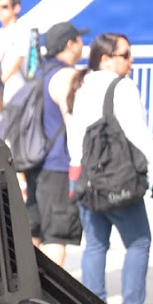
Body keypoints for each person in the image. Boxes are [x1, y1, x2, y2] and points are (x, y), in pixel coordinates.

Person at [65, 32, 153, 304]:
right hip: (117, 179)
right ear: (106, 59)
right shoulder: (123, 87)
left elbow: (75, 137)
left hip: (85, 178)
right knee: (139, 241)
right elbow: (137, 133)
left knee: (95, 245)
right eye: (126, 55)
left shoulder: (81, 85)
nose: (132, 60)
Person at [27, 21, 88, 266]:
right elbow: (73, 120)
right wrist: (78, 161)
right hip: (59, 164)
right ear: (70, 44)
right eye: (79, 40)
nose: (82, 44)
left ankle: (29, 284)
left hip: (35, 162)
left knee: (34, 230)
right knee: (56, 235)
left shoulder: (40, 73)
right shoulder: (68, 76)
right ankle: (48, 288)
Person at [0, 0, 33, 102]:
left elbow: (17, 60)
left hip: (15, 89)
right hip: (0, 91)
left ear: (16, 8)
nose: (0, 11)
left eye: (5, 7)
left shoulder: (21, 30)